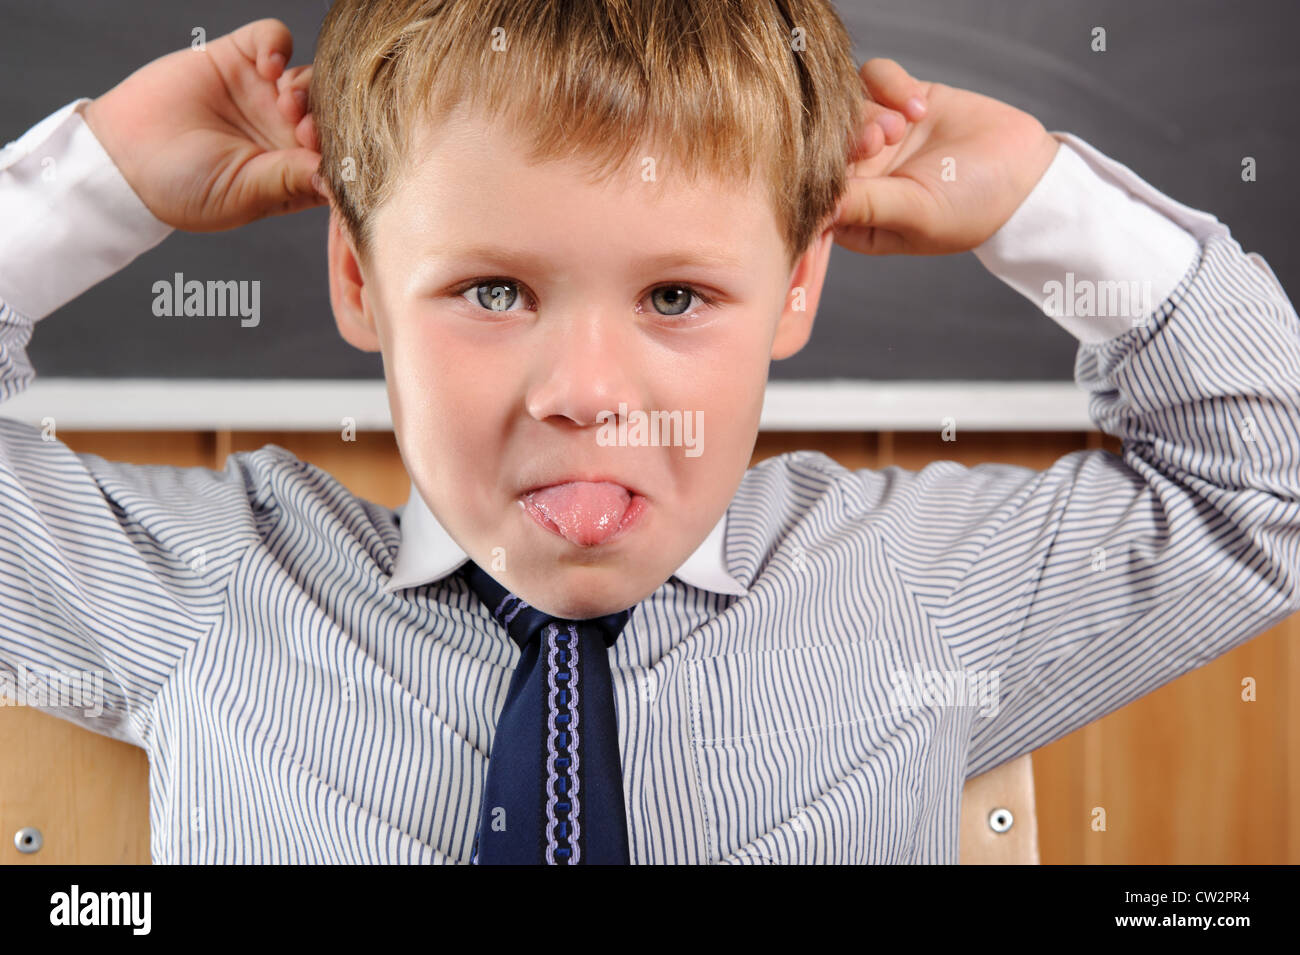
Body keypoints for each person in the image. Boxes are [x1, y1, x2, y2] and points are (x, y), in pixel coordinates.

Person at [1, 4, 1296, 864]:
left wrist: (1043, 209)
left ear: (798, 286)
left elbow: (1267, 486)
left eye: (677, 297)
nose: (587, 391)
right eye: (493, 291)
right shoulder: (218, 594)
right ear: (357, 281)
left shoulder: (911, 600)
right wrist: (102, 179)